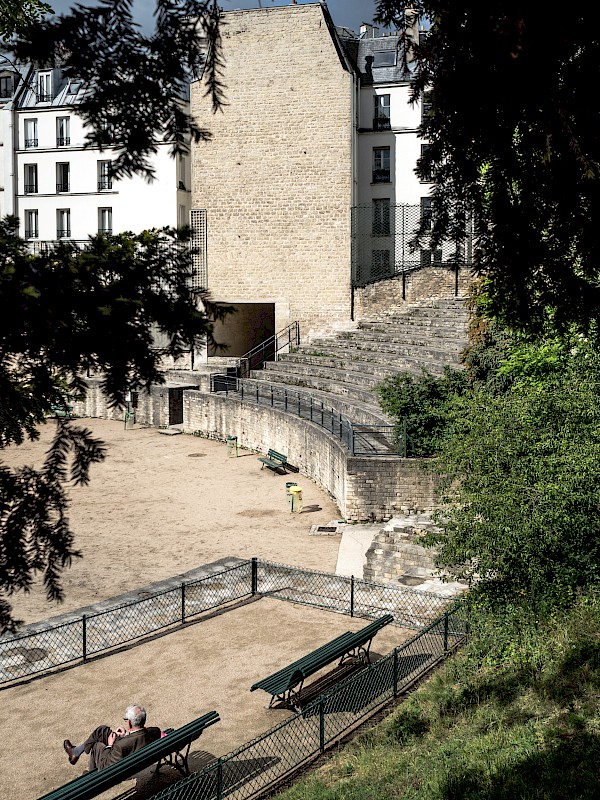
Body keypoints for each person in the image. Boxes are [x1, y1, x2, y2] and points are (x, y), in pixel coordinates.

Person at [63, 704, 161, 771]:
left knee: (97, 746)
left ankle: (90, 775)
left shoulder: (119, 746)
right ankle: (76, 752)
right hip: (133, 747)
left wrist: (110, 745)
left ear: (130, 723)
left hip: (124, 765)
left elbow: (104, 767)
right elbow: (140, 735)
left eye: (126, 720)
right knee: (102, 731)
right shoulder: (155, 732)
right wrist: (126, 734)